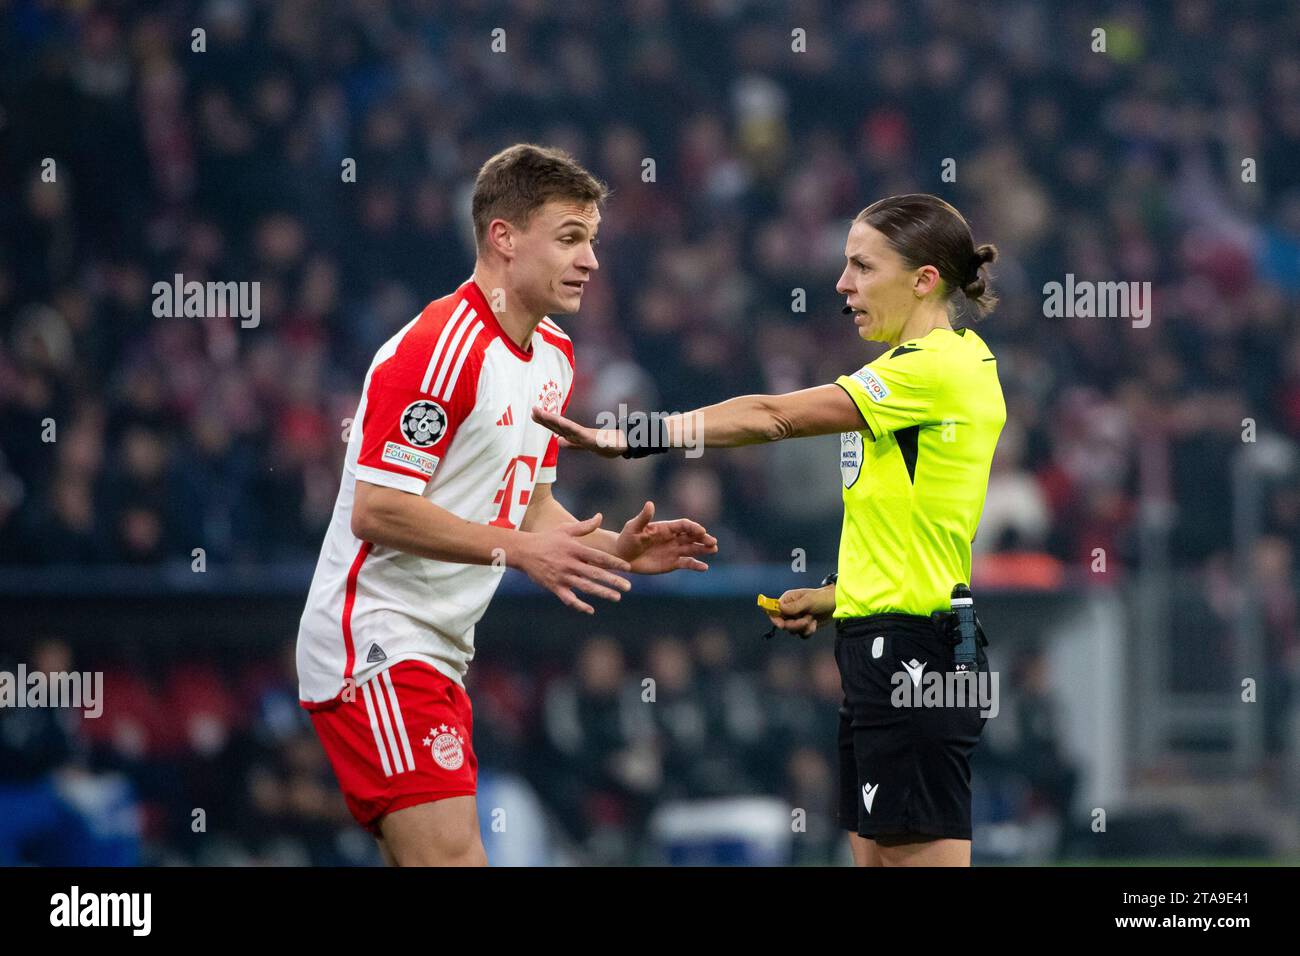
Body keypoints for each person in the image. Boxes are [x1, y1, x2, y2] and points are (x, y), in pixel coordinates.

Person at [535, 194, 1006, 867]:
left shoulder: (935, 370)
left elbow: (771, 416)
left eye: (862, 267)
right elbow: (921, 530)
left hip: (917, 652)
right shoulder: (918, 374)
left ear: (924, 278)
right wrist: (836, 595)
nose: (844, 284)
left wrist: (635, 435)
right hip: (885, 639)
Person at [296, 144, 718, 866]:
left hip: (439, 649)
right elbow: (377, 509)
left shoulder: (553, 353)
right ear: (503, 238)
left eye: (591, 239)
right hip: (377, 642)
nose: (590, 260)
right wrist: (519, 552)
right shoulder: (439, 349)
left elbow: (531, 507)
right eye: (569, 238)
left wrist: (614, 548)